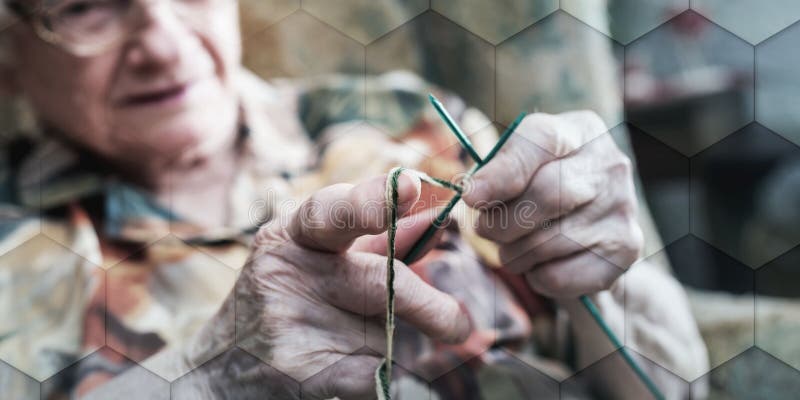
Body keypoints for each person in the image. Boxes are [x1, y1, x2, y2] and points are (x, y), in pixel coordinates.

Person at [0, 0, 708, 398]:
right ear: (9, 52)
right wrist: (217, 373)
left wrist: (610, 280)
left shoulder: (401, 116)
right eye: (86, 5)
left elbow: (671, 388)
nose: (162, 39)